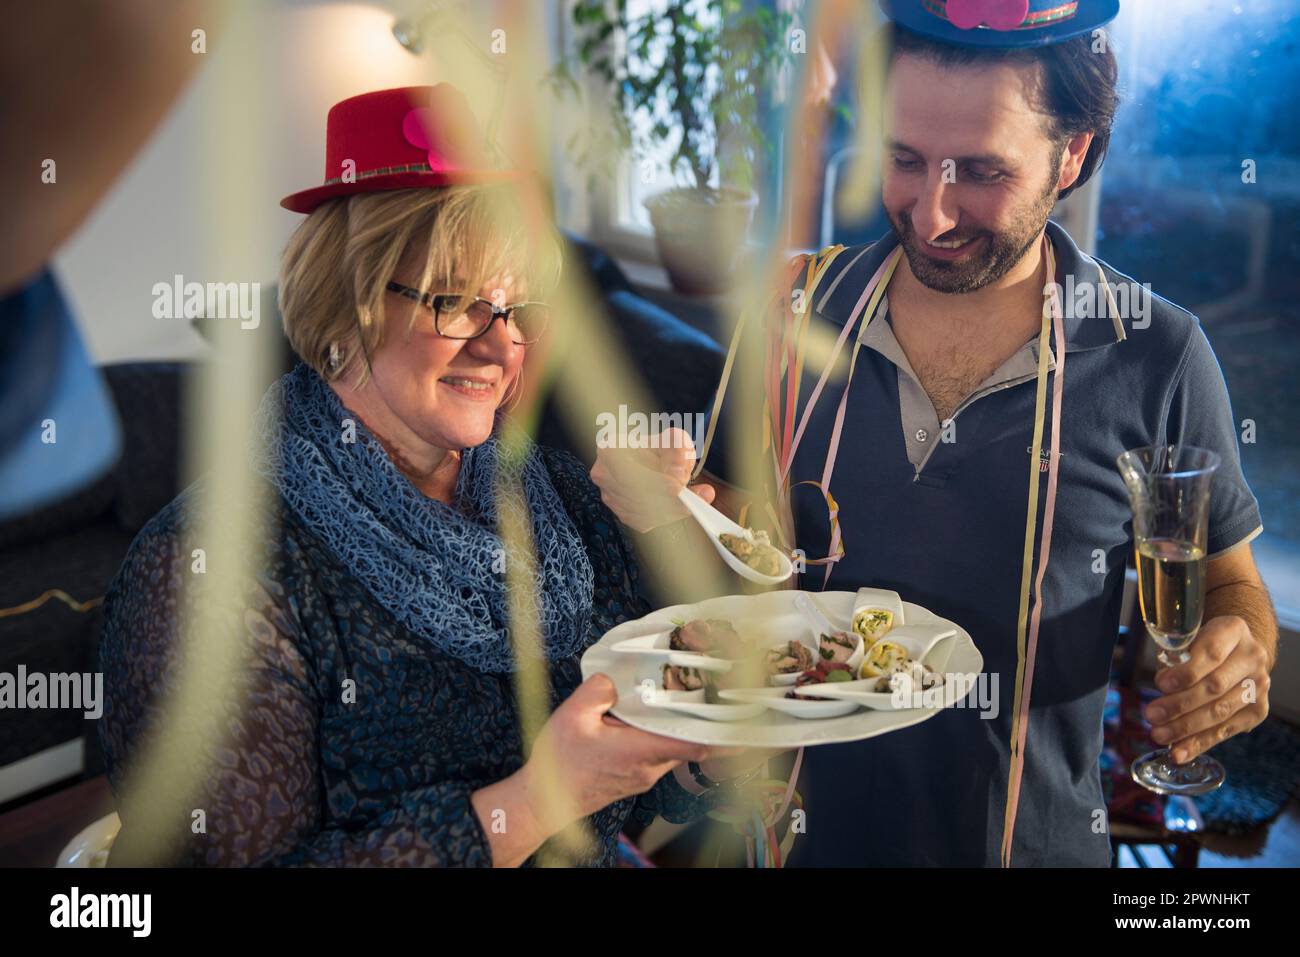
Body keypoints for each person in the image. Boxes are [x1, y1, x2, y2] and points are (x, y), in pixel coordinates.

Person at [591, 0, 1279, 866]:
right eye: (903, 160)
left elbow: (1230, 583)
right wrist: (667, 500)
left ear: (1074, 154)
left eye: (982, 172)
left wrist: (1239, 655)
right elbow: (749, 534)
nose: (932, 215)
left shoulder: (1160, 355)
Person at [98, 85, 765, 867]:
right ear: (345, 306)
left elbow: (632, 767)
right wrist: (533, 802)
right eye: (457, 301)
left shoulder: (552, 498)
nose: (500, 346)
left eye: (516, 309)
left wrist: (695, 755)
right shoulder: (203, 575)